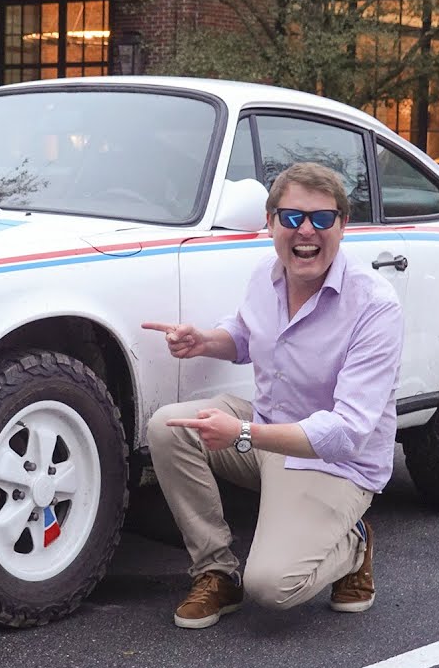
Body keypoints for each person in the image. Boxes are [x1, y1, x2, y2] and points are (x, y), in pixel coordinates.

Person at [141, 161, 403, 629]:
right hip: (265, 432)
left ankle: (354, 542)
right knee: (168, 427)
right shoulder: (267, 274)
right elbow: (245, 333)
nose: (307, 230)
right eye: (292, 217)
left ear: (343, 225)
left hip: (336, 463)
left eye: (322, 218)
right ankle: (216, 571)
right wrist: (204, 341)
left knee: (274, 587)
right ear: (270, 223)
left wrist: (242, 432)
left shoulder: (375, 306)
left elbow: (347, 434)